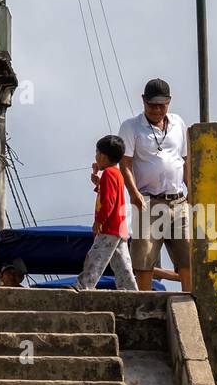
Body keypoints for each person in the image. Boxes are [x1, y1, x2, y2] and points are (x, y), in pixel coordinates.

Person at [118, 78, 190, 292]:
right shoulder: (131, 126)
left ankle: (190, 298)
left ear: (169, 102)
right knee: (144, 257)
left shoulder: (178, 123)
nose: (157, 110)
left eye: (162, 105)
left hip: (177, 200)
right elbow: (126, 165)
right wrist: (134, 194)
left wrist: (191, 191)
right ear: (143, 101)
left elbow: (185, 161)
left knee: (186, 254)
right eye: (152, 105)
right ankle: (145, 301)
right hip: (147, 200)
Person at [74, 134, 138, 291]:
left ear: (103, 155)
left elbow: (108, 201)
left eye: (97, 153)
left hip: (109, 227)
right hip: (119, 227)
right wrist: (98, 182)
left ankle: (84, 286)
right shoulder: (116, 174)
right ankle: (131, 291)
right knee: (122, 265)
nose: (96, 157)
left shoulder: (109, 174)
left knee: (96, 257)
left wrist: (99, 221)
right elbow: (111, 194)